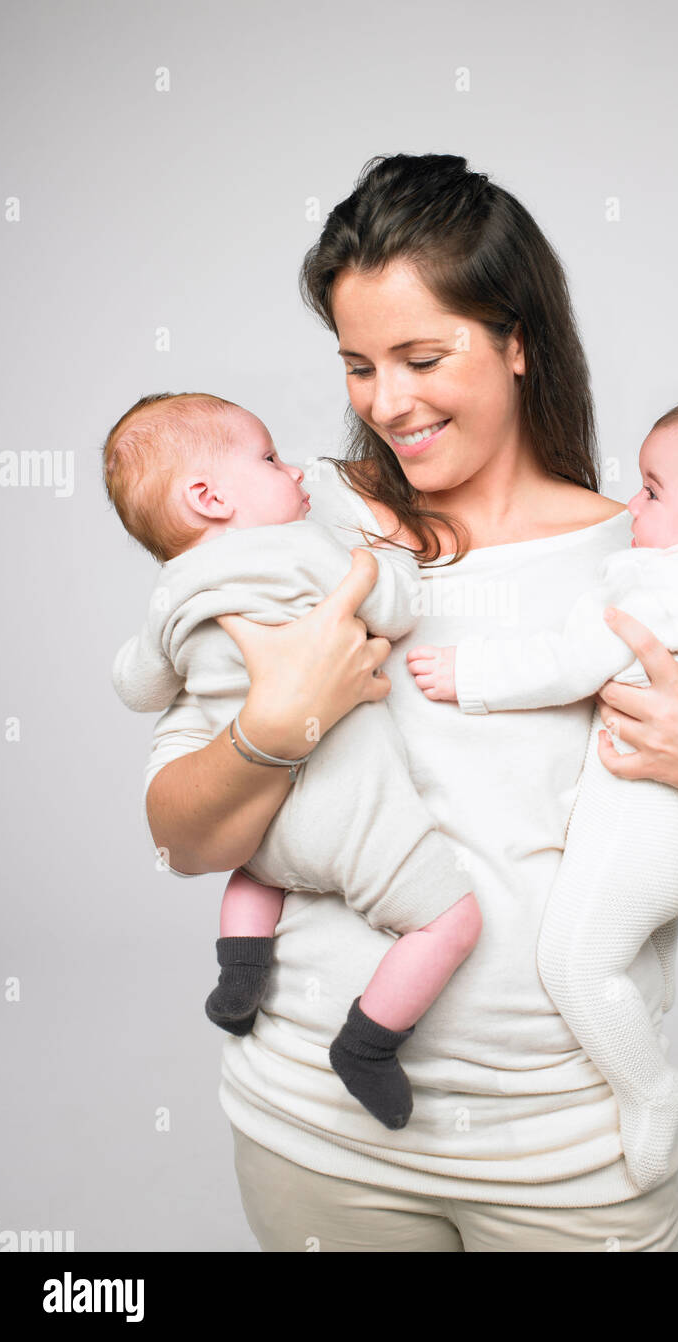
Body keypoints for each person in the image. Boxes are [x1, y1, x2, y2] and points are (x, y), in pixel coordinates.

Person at [142, 153, 678, 1252]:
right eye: (356, 366)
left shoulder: (653, 557)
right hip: (315, 1134)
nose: (384, 403)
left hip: (563, 1153)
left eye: (420, 356)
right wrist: (272, 726)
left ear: (515, 341)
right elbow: (182, 837)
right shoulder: (289, 529)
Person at [406, 384, 678, 1191]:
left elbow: (568, 664)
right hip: (666, 839)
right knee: (630, 938)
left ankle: (649, 1089)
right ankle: (649, 997)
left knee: (573, 964)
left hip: (640, 821)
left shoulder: (662, 586)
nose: (631, 503)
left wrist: (473, 674)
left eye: (653, 490)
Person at [104, 392, 481, 1131]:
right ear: (208, 496)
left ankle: (241, 972)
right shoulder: (306, 545)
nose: (296, 470)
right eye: (269, 458)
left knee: (256, 870)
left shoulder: (172, 590)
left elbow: (138, 686)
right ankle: (369, 1043)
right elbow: (395, 610)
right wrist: (383, 550)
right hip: (352, 811)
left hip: (259, 818)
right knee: (449, 923)